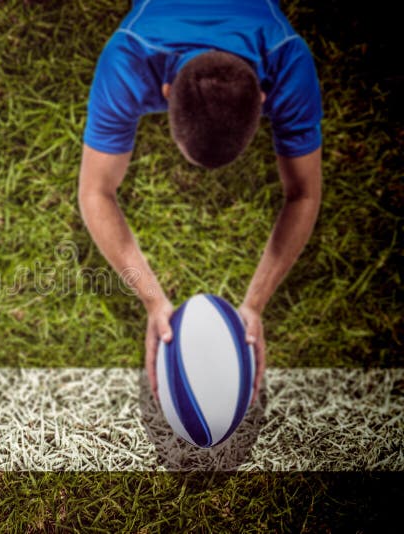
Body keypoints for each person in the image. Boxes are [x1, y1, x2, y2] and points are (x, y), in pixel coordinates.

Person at [78, 0, 322, 404]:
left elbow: (305, 195)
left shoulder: (288, 60)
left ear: (262, 100)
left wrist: (255, 304)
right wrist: (152, 299)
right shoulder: (129, 55)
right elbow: (94, 193)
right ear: (166, 93)